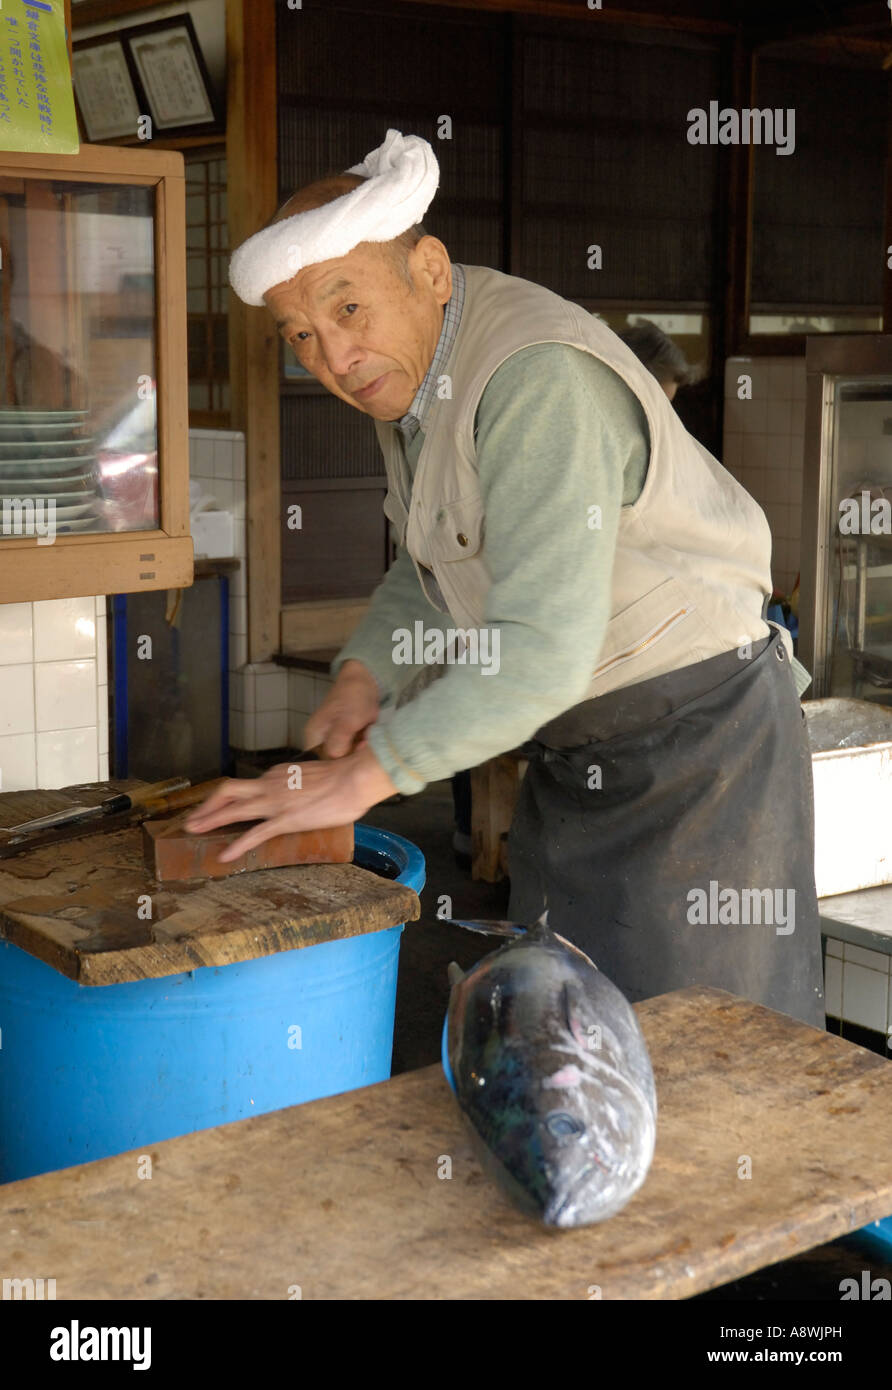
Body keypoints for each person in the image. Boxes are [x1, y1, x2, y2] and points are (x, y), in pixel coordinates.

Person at [186, 129, 824, 1028]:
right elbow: (436, 557)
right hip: (577, 757)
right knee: (564, 1042)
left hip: (702, 752)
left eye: (348, 309)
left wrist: (366, 775)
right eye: (301, 334)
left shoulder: (534, 378)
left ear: (431, 271)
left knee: (707, 1058)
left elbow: (537, 654)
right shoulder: (412, 378)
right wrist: (369, 672)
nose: (331, 357)